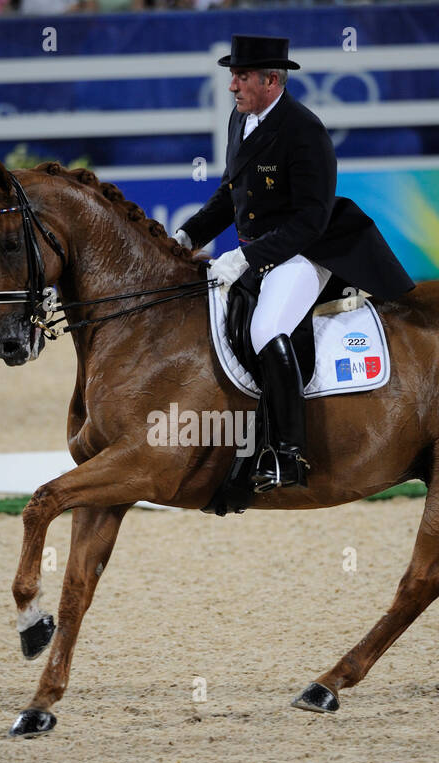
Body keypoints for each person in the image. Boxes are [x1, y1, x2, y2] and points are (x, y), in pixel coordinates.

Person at [175, 34, 414, 492]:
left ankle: (288, 453)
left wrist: (245, 256)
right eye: (232, 76)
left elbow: (311, 219)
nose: (232, 87)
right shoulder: (240, 119)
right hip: (259, 251)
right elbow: (231, 193)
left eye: (241, 77)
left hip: (306, 252)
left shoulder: (304, 131)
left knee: (267, 328)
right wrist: (188, 235)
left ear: (271, 79)